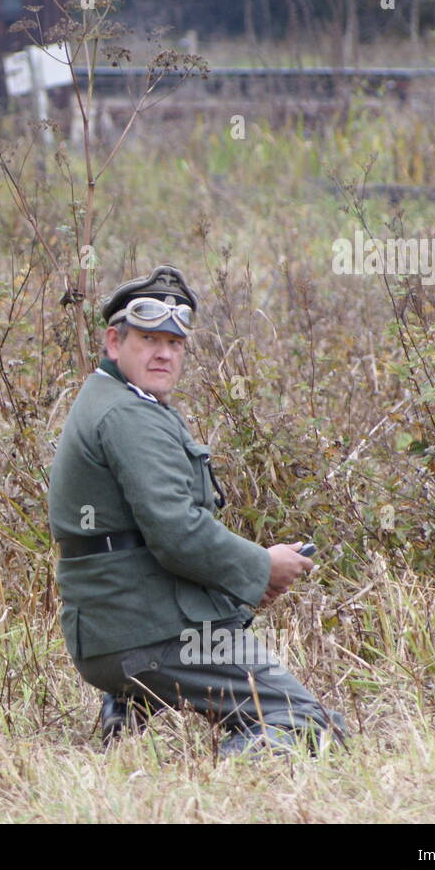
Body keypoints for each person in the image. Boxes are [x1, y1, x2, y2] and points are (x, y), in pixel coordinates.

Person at [47, 265, 346, 758]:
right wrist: (261, 567)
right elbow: (177, 533)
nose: (164, 352)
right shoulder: (128, 414)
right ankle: (224, 772)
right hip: (150, 637)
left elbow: (150, 536)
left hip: (113, 635)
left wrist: (241, 583)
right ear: (114, 342)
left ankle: (131, 707)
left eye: (175, 342)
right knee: (310, 724)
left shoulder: (113, 398)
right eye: (148, 338)